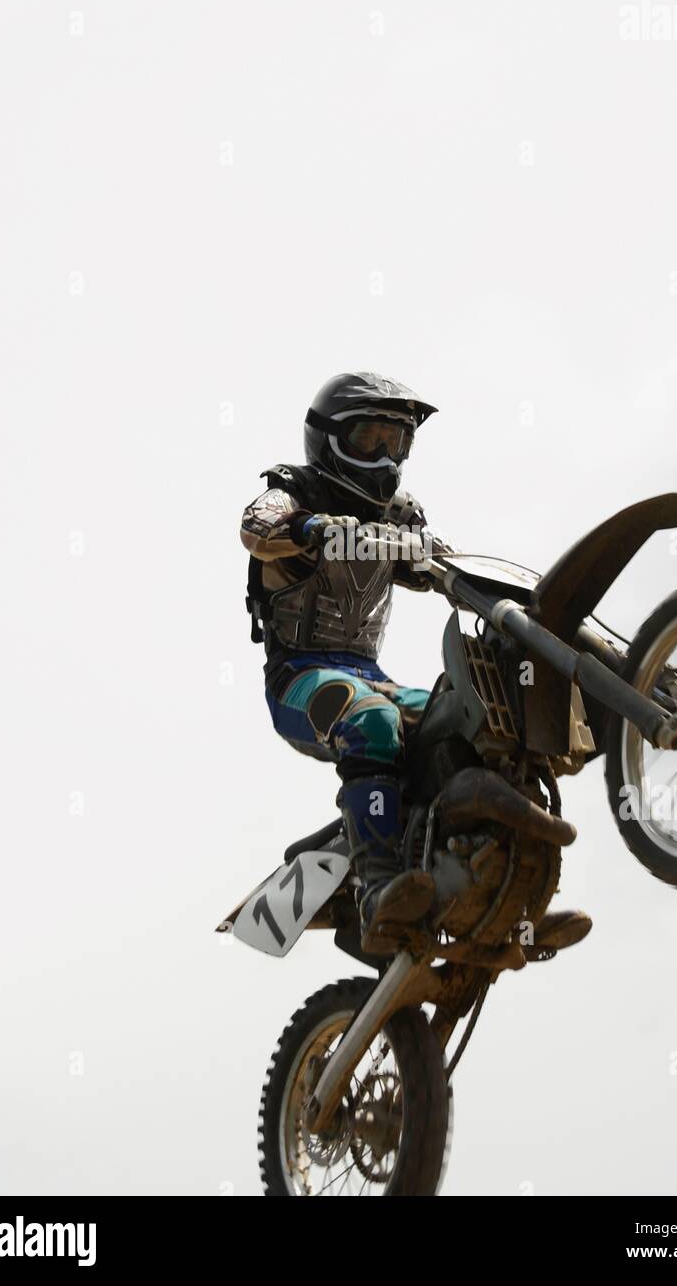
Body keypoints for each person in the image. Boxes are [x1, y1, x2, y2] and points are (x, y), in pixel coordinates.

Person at [240, 372, 447, 952]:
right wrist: (311, 527)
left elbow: (435, 565)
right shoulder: (293, 489)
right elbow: (255, 525)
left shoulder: (400, 513)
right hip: (301, 680)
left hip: (371, 676)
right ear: (329, 438)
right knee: (372, 721)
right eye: (369, 440)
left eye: (395, 442)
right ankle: (378, 885)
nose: (383, 457)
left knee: (454, 714)